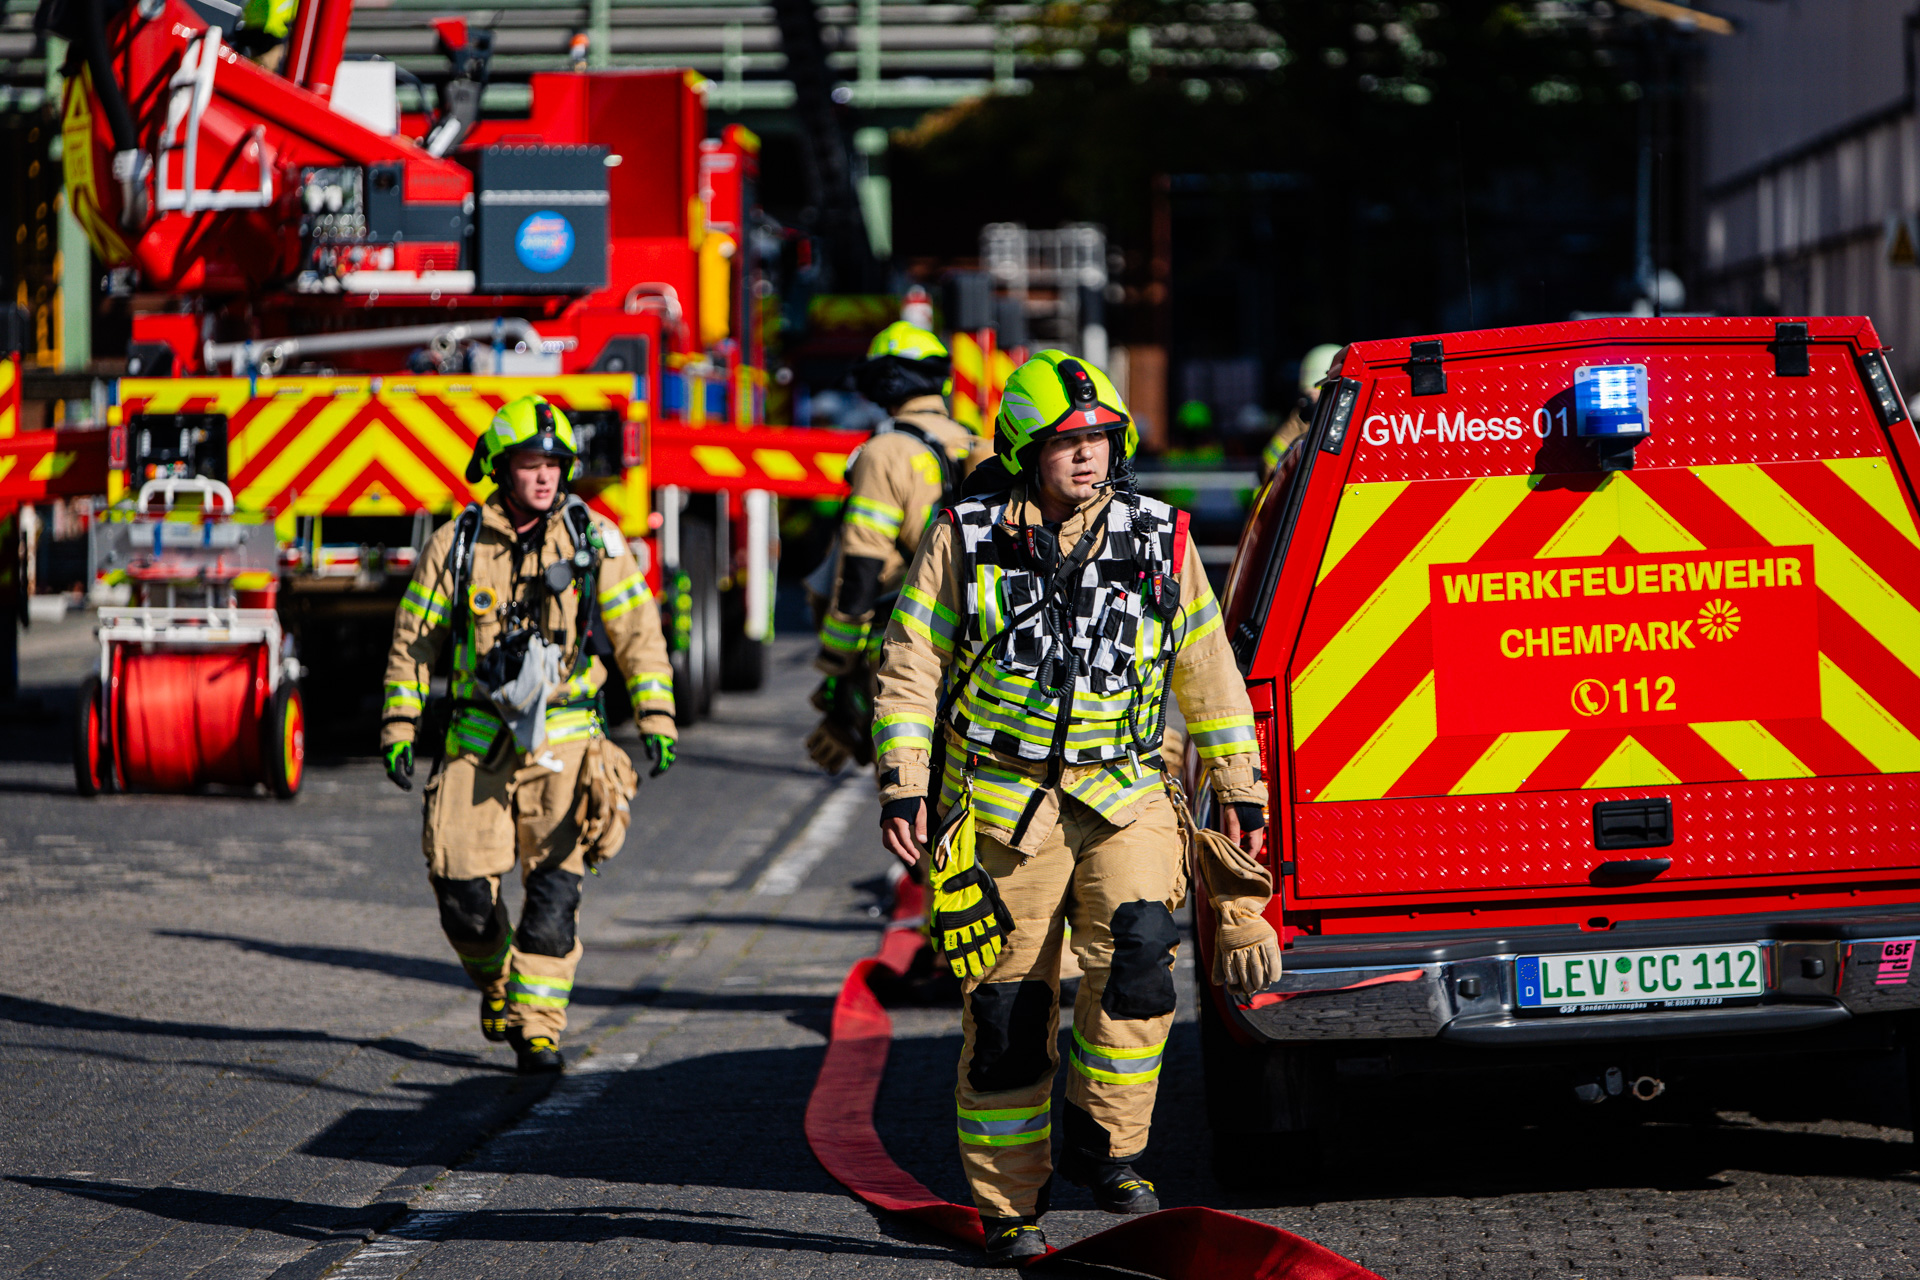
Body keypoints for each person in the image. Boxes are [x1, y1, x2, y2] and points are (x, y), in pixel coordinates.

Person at [871, 351, 1276, 1264]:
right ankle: (1009, 1205)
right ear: (1025, 450)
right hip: (1000, 804)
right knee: (1006, 1014)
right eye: (1066, 441)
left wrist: (1240, 787)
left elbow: (1208, 671)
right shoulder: (962, 536)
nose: (1088, 455)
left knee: (1140, 967)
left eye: (1101, 438)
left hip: (1127, 792)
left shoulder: (1160, 537)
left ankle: (1107, 1146)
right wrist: (903, 781)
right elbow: (910, 666)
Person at [380, 395, 676, 1075]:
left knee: (553, 898)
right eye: (528, 463)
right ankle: (497, 983)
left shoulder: (595, 539)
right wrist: (400, 724)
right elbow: (414, 640)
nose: (544, 476)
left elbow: (639, 632)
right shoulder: (456, 545)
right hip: (478, 740)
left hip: (565, 746)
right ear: (499, 468)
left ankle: (537, 1031)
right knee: (461, 894)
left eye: (554, 464)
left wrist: (656, 717)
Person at [805, 321, 988, 775]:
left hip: (901, 632)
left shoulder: (884, 452)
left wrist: (838, 664)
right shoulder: (971, 440)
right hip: (971, 638)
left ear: (885, 380)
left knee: (906, 775)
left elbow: (862, 565)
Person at [1260, 343, 1343, 481]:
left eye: (1316, 391)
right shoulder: (1302, 418)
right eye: (1308, 393)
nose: (1311, 398)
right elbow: (1269, 465)